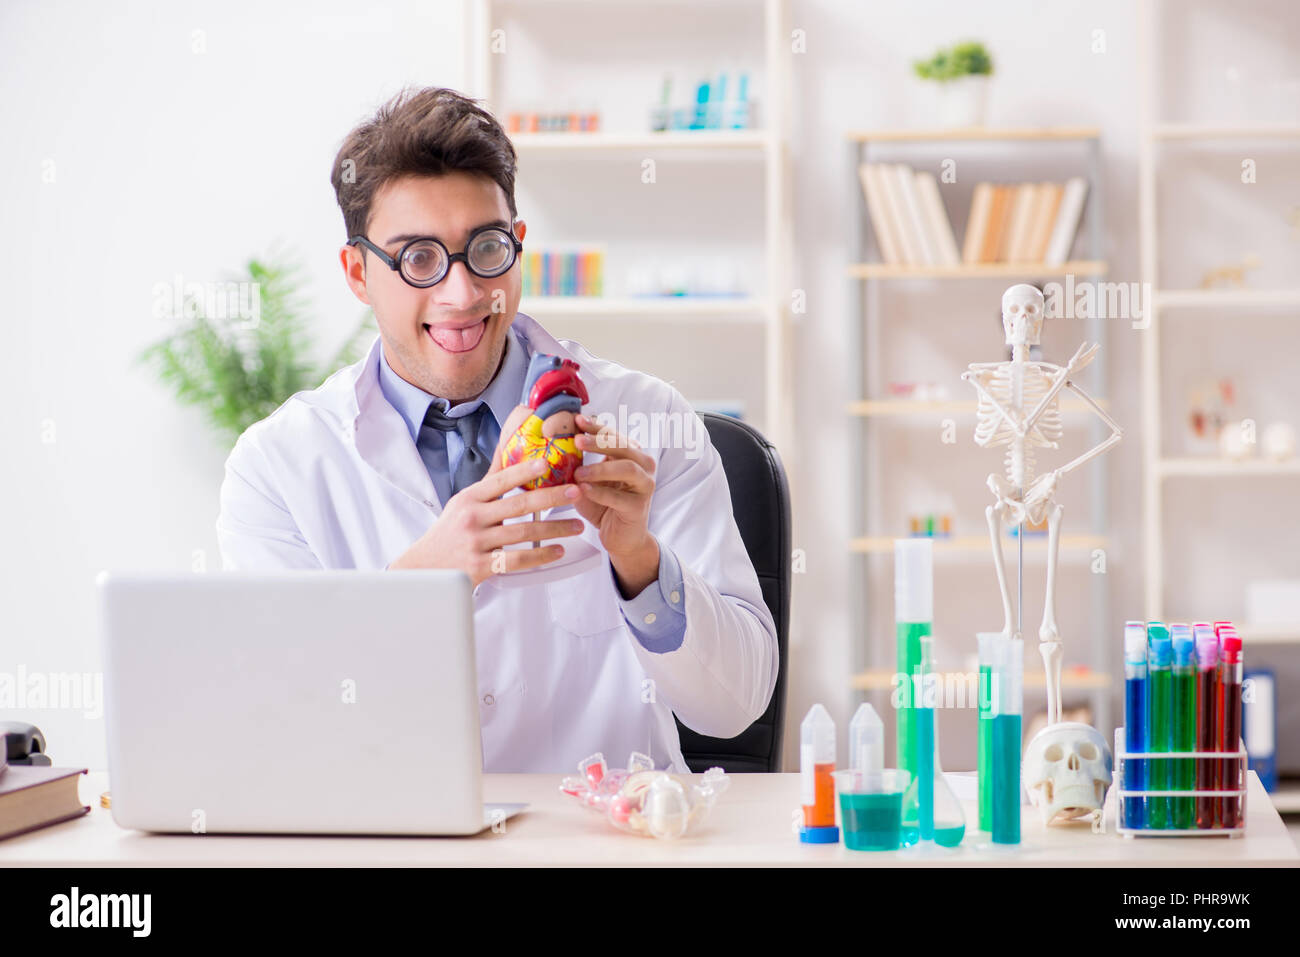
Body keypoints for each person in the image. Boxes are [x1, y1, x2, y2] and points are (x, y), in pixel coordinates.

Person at [216, 87, 778, 773]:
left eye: (484, 248)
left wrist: (638, 559)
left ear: (516, 247)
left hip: (604, 844)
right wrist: (422, 582)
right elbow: (277, 725)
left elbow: (738, 703)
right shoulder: (278, 465)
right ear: (358, 272)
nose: (461, 293)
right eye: (418, 258)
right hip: (396, 841)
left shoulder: (649, 418)